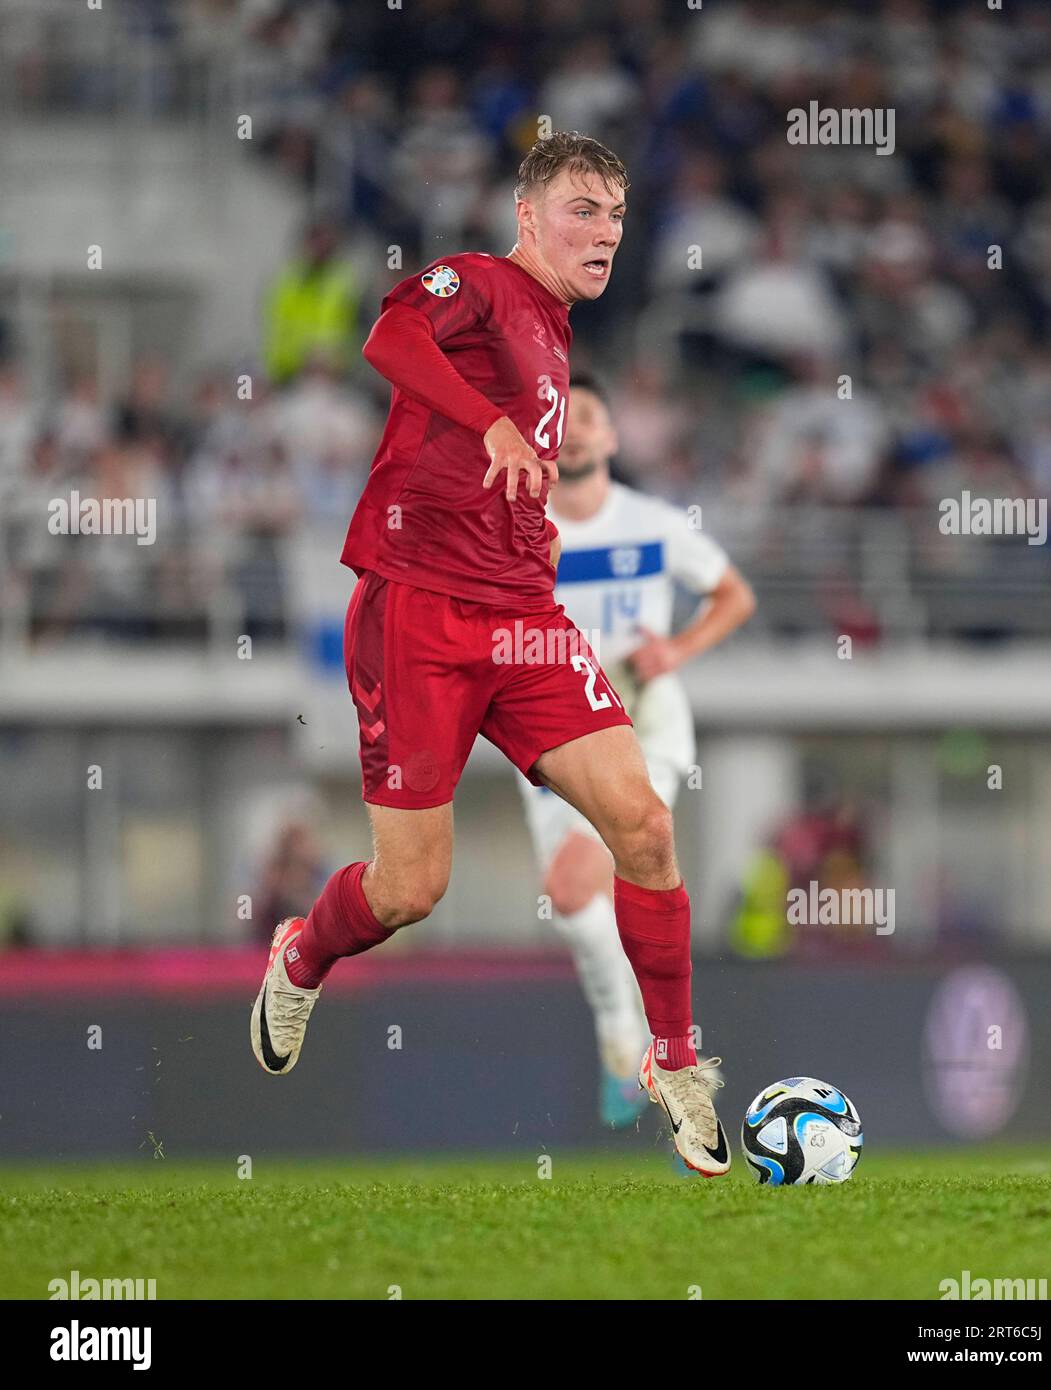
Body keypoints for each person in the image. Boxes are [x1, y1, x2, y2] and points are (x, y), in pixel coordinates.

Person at [250, 130, 732, 1176]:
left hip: (520, 615)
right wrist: (490, 426)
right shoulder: (475, 279)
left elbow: (499, 475)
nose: (604, 232)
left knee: (646, 827)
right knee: (409, 887)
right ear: (528, 216)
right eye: (581, 210)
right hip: (416, 611)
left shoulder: (554, 330)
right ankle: (303, 952)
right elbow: (389, 339)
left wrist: (529, 526)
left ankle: (676, 1063)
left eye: (615, 215)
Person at [518, 373, 755, 1128]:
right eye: (562, 420)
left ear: (613, 436)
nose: (574, 431)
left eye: (589, 417)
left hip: (643, 726)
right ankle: (643, 1045)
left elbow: (734, 595)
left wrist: (675, 651)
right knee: (573, 899)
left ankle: (631, 1046)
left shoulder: (653, 524)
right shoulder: (521, 530)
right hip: (552, 731)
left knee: (582, 877)